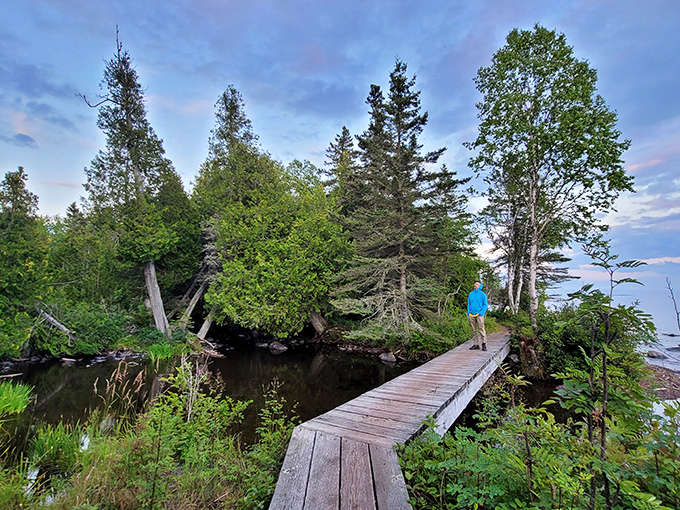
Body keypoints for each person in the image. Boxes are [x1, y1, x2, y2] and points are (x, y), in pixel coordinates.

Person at [467, 281, 488, 351]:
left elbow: (485, 305)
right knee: (474, 330)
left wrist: (482, 312)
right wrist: (468, 312)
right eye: (475, 284)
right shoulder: (470, 294)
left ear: (480, 286)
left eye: (477, 284)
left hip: (479, 314)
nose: (475, 285)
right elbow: (469, 304)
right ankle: (476, 344)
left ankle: (484, 344)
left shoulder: (483, 295)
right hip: (471, 314)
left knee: (481, 329)